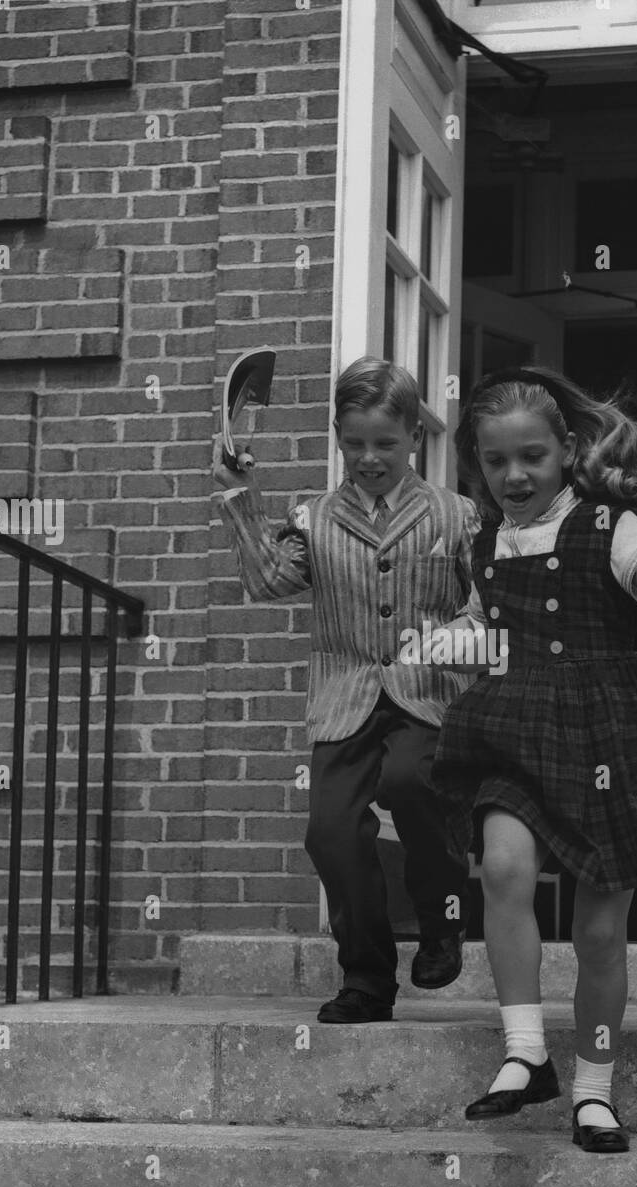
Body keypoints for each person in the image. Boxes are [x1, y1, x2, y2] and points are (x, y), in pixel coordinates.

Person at [429, 366, 637, 1150]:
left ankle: (593, 1091)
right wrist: (435, 645)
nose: (514, 476)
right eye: (496, 461)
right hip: (513, 730)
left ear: (566, 450)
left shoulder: (611, 525)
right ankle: (524, 1053)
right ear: (478, 463)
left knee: (600, 934)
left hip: (608, 735)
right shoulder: (482, 541)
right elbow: (482, 628)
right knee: (505, 868)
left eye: (533, 458)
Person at [214, 357, 481, 1023]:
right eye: (355, 442)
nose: (369, 457)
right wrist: (239, 498)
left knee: (412, 784)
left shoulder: (458, 515)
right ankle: (366, 977)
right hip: (344, 696)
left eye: (385, 444)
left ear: (415, 436)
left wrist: (454, 638)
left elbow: (483, 609)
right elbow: (269, 581)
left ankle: (441, 918)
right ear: (337, 436)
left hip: (425, 693)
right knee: (330, 835)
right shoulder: (314, 518)